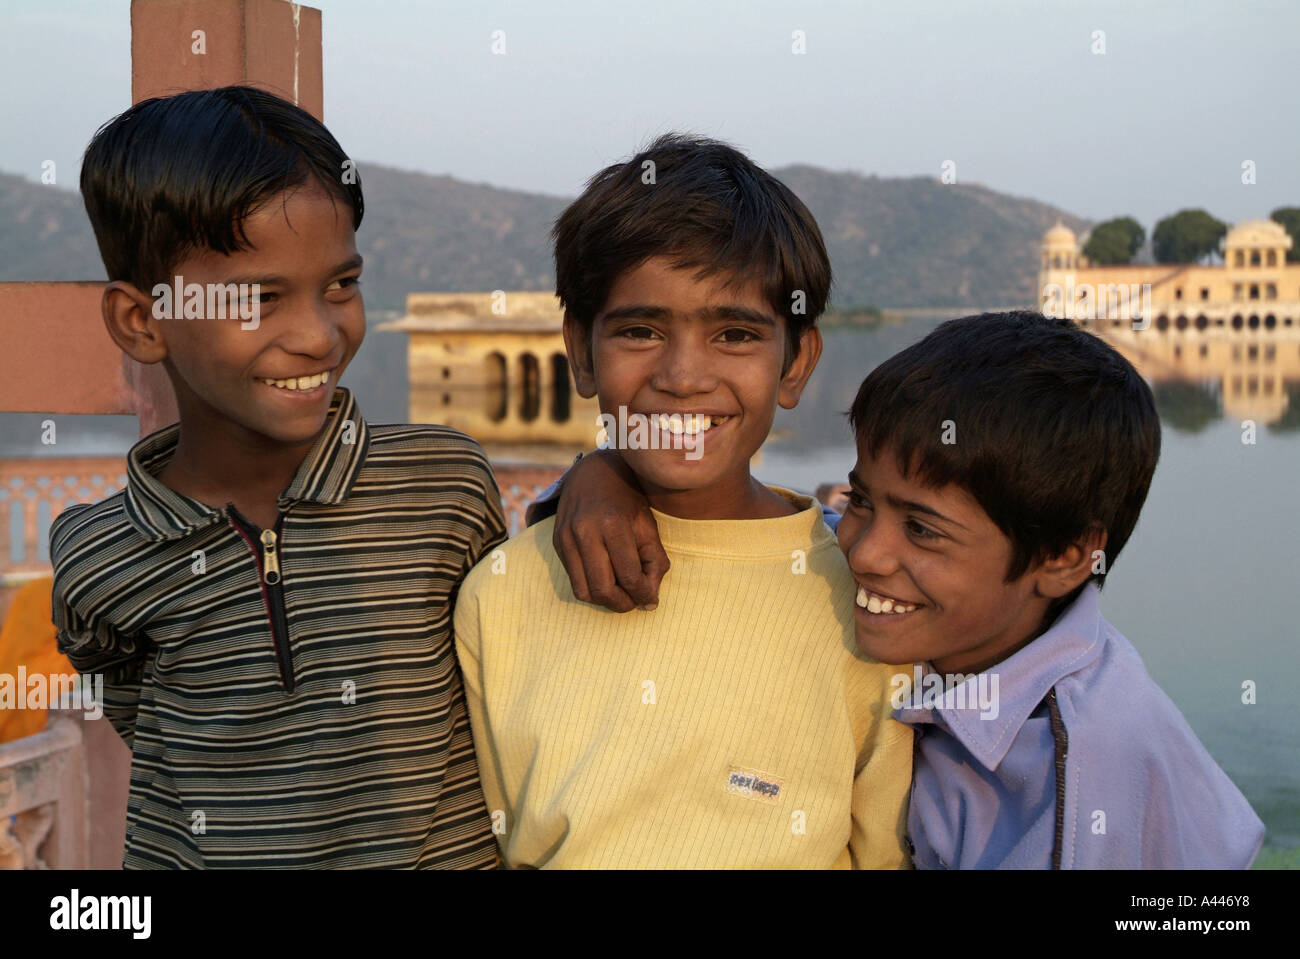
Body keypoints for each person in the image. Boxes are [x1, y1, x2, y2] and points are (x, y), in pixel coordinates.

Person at [550, 309, 1266, 868]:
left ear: (1066, 555)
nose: (862, 550)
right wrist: (602, 475)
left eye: (922, 530)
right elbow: (758, 511)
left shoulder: (1079, 778)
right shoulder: (982, 625)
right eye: (863, 500)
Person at [49, 86, 503, 868]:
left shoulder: (443, 489)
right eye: (261, 297)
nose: (319, 334)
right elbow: (135, 704)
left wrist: (600, 481)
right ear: (143, 322)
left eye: (341, 285)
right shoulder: (101, 552)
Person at [454, 134, 913, 868]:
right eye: (640, 330)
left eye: (735, 333)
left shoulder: (871, 604)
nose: (683, 375)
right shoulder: (500, 595)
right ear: (579, 350)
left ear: (795, 363)